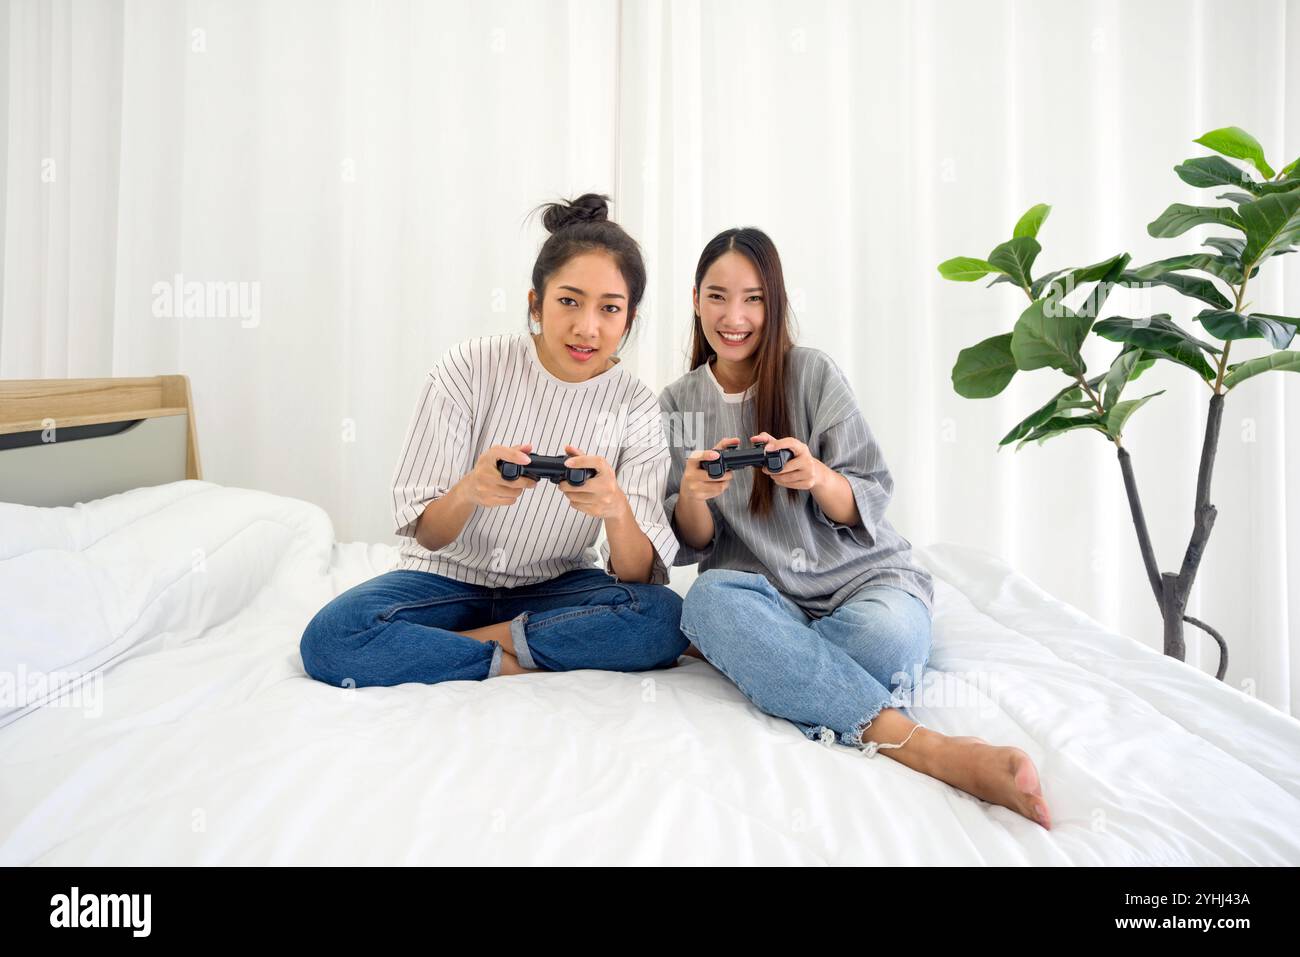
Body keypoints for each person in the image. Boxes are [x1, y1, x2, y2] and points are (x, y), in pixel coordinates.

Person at [660, 226, 1051, 829]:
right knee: (707, 600)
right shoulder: (678, 403)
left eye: (754, 298)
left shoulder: (811, 373)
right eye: (717, 296)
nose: (734, 316)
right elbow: (695, 544)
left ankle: (766, 661)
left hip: (862, 582)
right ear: (694, 299)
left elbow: (869, 495)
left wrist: (816, 476)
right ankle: (932, 750)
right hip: (761, 595)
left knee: (883, 645)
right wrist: (692, 493)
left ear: (776, 302)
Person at [300, 193, 686, 686]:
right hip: (444, 583)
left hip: (556, 587)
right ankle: (515, 654)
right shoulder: (468, 369)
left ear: (628, 320)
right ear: (535, 305)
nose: (586, 328)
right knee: (334, 637)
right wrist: (470, 490)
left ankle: (467, 647)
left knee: (662, 616)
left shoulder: (636, 405)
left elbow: (634, 576)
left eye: (609, 309)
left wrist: (615, 508)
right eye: (568, 301)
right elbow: (429, 535)